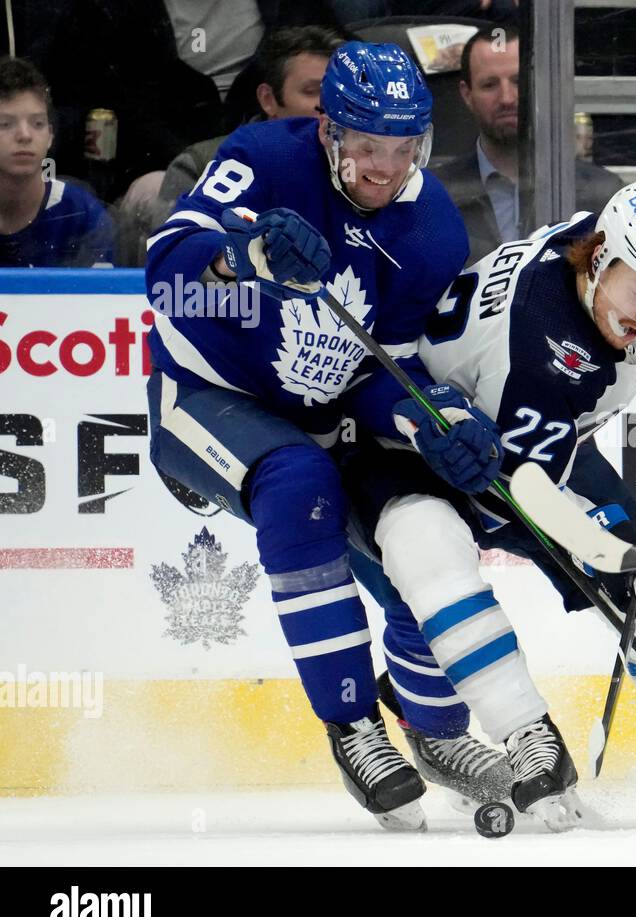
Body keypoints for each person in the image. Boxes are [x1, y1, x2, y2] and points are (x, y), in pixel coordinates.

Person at [143, 41, 507, 831]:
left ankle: (436, 732)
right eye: (367, 146)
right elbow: (167, 277)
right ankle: (352, 723)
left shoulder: (432, 232)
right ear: (328, 133)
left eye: (402, 147)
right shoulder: (264, 158)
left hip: (328, 412)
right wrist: (244, 257)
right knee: (300, 485)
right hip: (208, 394)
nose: (384, 167)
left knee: (430, 533)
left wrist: (424, 417)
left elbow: (386, 371)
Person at [339, 181, 636, 829]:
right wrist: (605, 553)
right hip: (409, 448)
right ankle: (498, 733)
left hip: (508, 432)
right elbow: (523, 501)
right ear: (602, 259)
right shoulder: (536, 352)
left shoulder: (595, 245)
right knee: (435, 559)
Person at [119, 26, 348, 266]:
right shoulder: (201, 164)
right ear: (268, 100)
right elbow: (176, 266)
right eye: (312, 91)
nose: (329, 105)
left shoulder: (375, 165)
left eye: (340, 92)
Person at [431, 25, 626, 264]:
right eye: (489, 85)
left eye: (518, 81)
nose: (507, 98)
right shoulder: (434, 197)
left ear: (538, 86)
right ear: (467, 95)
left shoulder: (603, 193)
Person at [0, 58, 112, 267]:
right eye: (5, 124)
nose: (25, 135)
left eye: (38, 124)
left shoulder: (82, 215)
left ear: (50, 135)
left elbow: (98, 296)